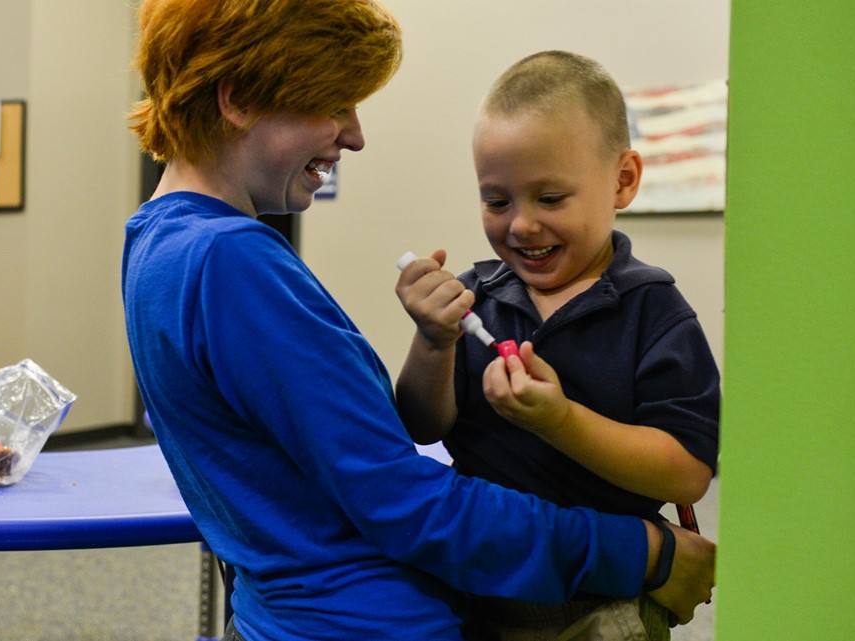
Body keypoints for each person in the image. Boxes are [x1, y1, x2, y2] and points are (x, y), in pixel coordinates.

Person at [122, 3, 714, 640]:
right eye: (336, 104)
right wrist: (642, 553)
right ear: (237, 99)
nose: (355, 135)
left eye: (551, 197)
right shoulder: (227, 259)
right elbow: (400, 494)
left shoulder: (156, 244)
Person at [394, 51, 721, 641]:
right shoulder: (475, 298)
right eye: (497, 201)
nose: (520, 225)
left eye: (549, 199)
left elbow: (687, 475)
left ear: (622, 181)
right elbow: (423, 424)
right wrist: (432, 341)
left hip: (604, 600)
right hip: (477, 582)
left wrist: (561, 420)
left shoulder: (655, 313)